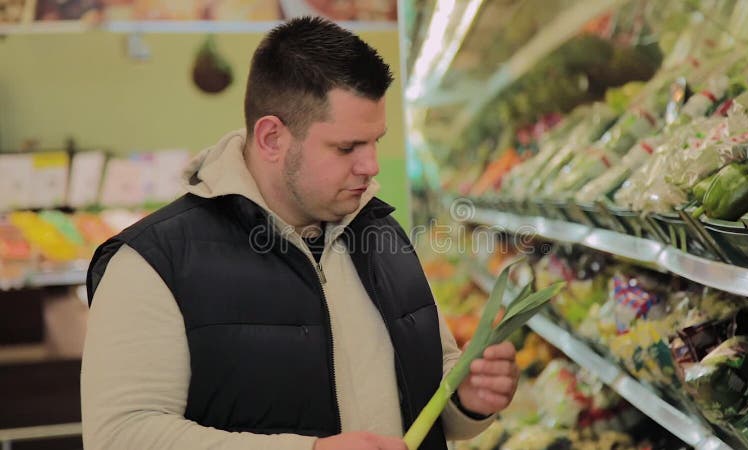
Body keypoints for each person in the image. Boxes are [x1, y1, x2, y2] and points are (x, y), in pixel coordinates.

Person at [81, 16, 520, 450]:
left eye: (375, 142)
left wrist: (467, 401)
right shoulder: (153, 263)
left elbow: (430, 383)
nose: (370, 166)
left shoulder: (382, 233)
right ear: (272, 138)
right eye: (347, 147)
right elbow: (121, 436)